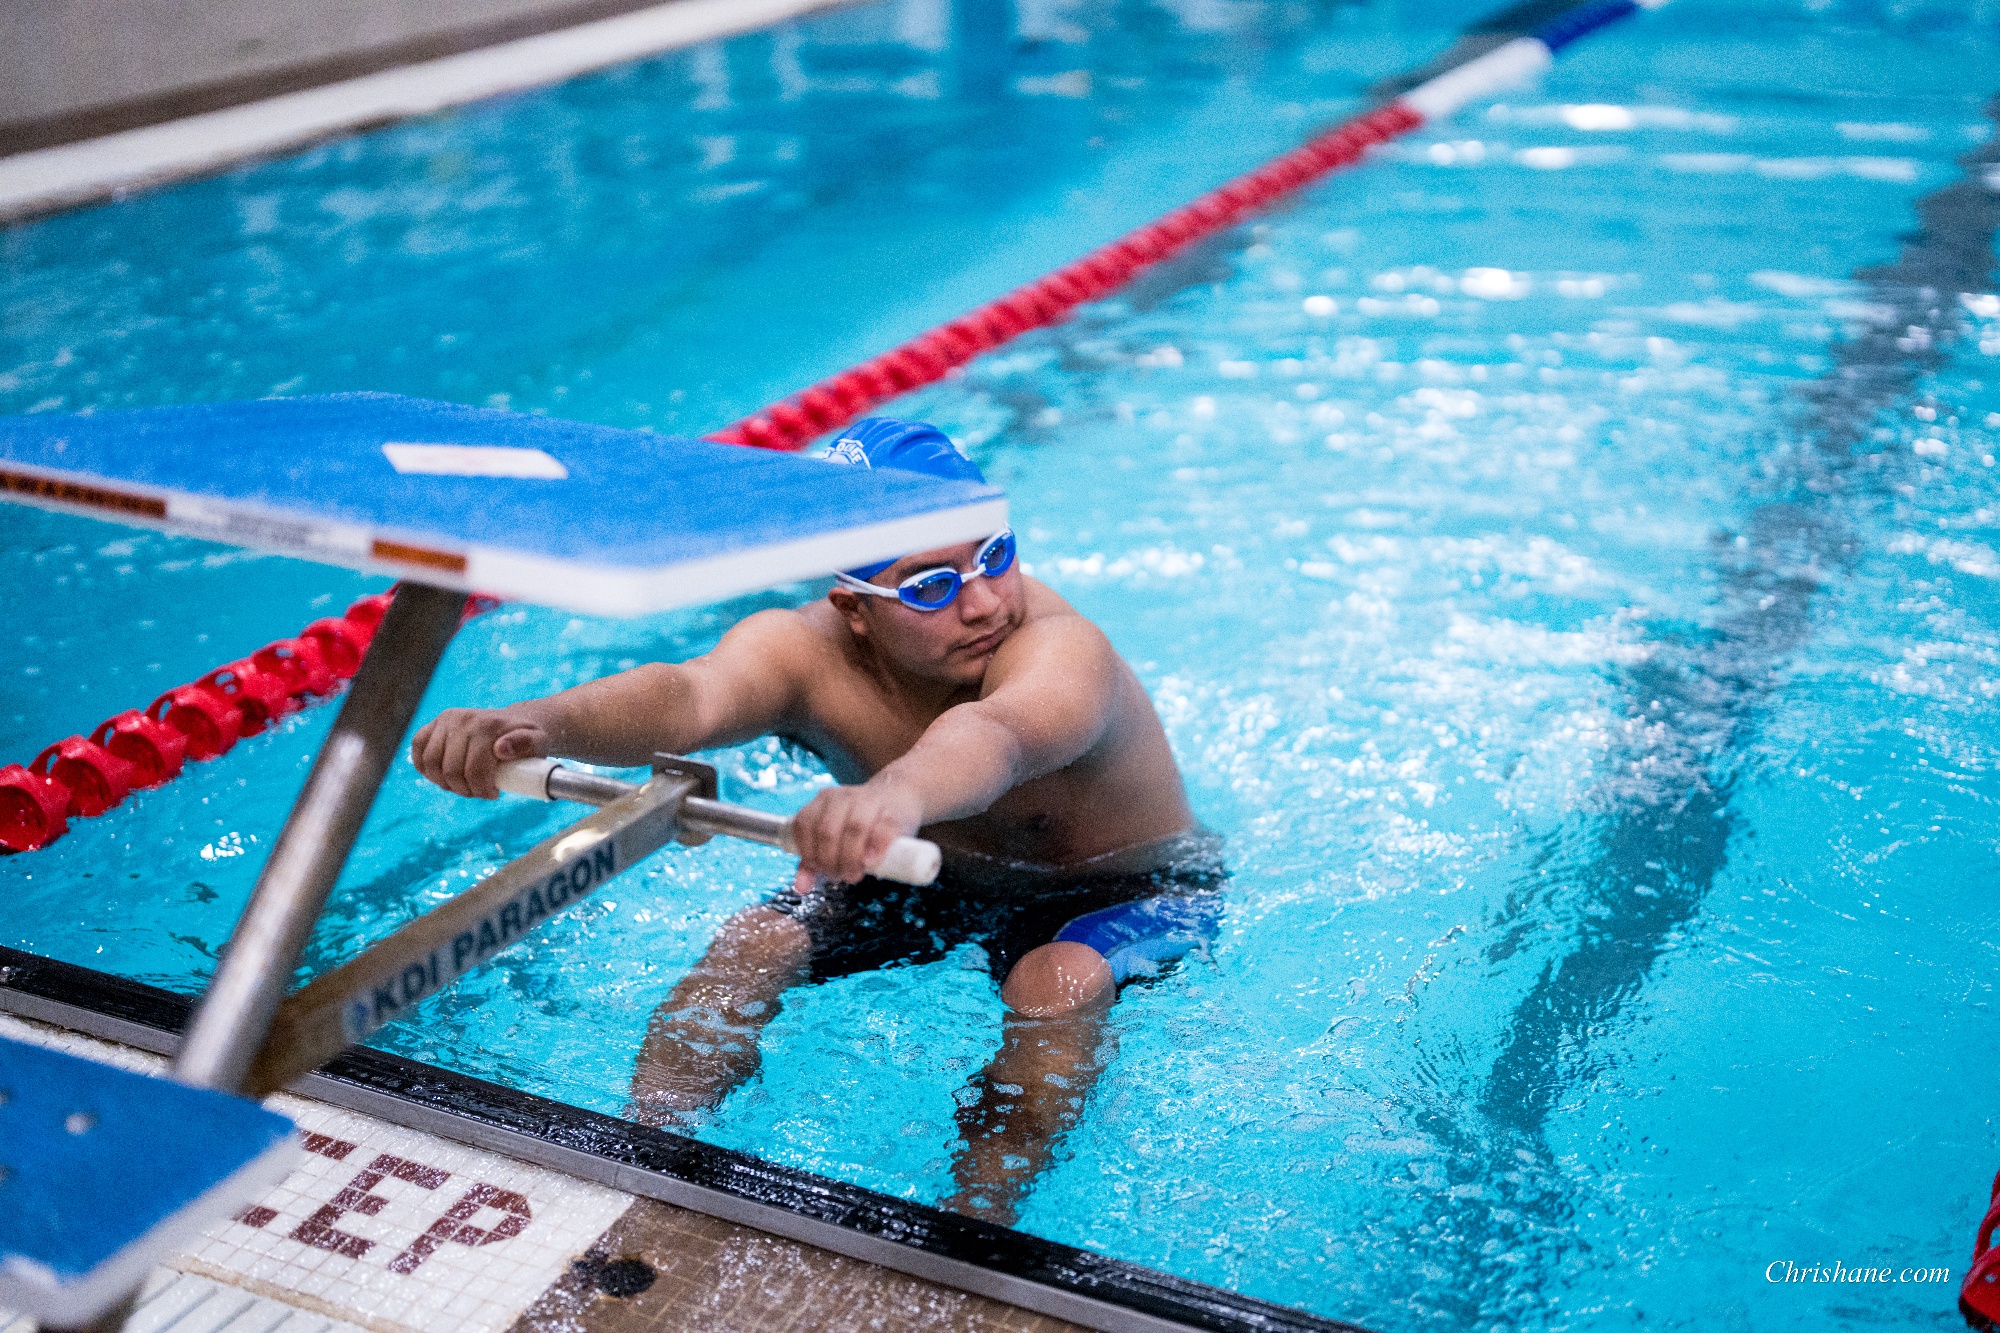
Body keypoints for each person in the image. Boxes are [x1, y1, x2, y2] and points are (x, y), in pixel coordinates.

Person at [409, 417, 1222, 1224]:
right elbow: (688, 696)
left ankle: (974, 1225)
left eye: (994, 555)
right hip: (926, 867)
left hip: (1124, 884)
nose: (982, 603)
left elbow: (995, 736)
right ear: (853, 608)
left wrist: (891, 795)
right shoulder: (804, 652)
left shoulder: (1060, 646)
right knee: (750, 944)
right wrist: (535, 723)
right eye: (930, 586)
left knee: (1054, 983)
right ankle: (639, 1169)